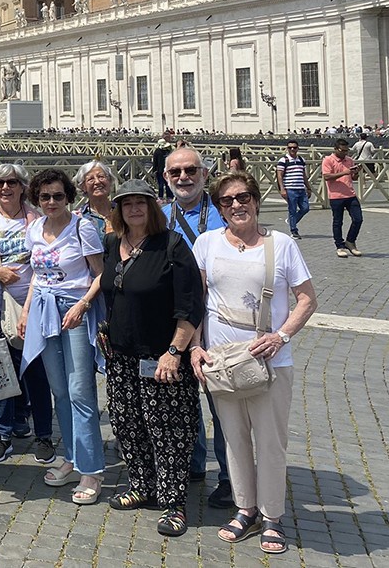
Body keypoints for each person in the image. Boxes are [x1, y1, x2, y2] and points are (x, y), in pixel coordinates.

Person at [190, 171, 318, 556]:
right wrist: (195, 347)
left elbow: (307, 299)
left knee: (270, 442)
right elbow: (196, 301)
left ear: (256, 200)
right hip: (221, 360)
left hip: (270, 361)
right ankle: (245, 508)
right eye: (226, 201)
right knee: (233, 440)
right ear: (218, 208)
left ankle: (273, 515)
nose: (236, 205)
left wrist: (280, 336)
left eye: (243, 197)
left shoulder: (281, 244)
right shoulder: (206, 242)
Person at [101, 180, 203, 537]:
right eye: (126, 203)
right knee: (128, 423)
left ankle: (173, 502)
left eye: (140, 202)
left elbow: (191, 305)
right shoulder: (114, 243)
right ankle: (142, 485)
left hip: (162, 357)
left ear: (152, 207)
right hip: (122, 356)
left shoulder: (172, 245)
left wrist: (175, 352)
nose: (134, 209)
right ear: (118, 210)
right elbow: (111, 288)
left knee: (169, 430)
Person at [18, 168, 106, 505]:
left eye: (57, 195)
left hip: (75, 310)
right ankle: (71, 456)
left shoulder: (82, 226)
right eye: (45, 197)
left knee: (80, 390)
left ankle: (92, 469)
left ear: (68, 196)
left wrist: (82, 305)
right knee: (59, 390)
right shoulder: (35, 228)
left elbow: (101, 274)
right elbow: (37, 277)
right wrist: (27, 311)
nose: (51, 202)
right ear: (36, 200)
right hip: (44, 308)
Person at [162, 143, 231, 506]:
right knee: (180, 400)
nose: (184, 177)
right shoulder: (159, 214)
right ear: (166, 177)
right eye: (176, 172)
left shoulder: (225, 213)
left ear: (205, 174)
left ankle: (229, 477)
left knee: (221, 406)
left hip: (216, 325)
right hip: (173, 325)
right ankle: (192, 462)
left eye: (191, 171)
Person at [0, 163, 55, 465]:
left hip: (33, 308)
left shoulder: (36, 220)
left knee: (36, 374)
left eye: (11, 182)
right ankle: (2, 434)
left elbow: (45, 262)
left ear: (22, 186)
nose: (5, 188)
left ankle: (44, 434)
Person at [322, 139, 362, 258]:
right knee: (338, 222)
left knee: (358, 219)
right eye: (342, 150)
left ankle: (350, 241)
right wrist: (344, 173)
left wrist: (355, 173)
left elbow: (353, 177)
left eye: (347, 150)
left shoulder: (349, 160)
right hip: (336, 196)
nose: (345, 153)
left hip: (350, 194)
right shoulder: (328, 160)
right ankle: (339, 246)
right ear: (336, 149)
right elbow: (327, 176)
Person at [73, 160, 118, 237]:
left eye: (101, 177)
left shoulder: (122, 211)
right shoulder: (78, 218)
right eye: (91, 179)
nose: (97, 182)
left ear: (109, 181)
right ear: (83, 186)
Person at [275, 141, 310, 241]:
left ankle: (291, 221)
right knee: (292, 210)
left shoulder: (301, 160)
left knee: (305, 208)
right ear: (287, 148)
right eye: (290, 148)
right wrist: (282, 189)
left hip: (301, 189)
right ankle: (294, 230)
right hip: (290, 189)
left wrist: (308, 187)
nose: (292, 149)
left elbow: (304, 175)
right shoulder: (283, 160)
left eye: (294, 147)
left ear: (298, 148)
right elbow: (279, 175)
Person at [152, 130, 174, 199]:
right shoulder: (168, 150)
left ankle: (161, 197)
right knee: (167, 184)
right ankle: (169, 197)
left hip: (161, 170)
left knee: (162, 185)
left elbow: (154, 161)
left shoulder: (157, 151)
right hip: (166, 169)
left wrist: (154, 170)